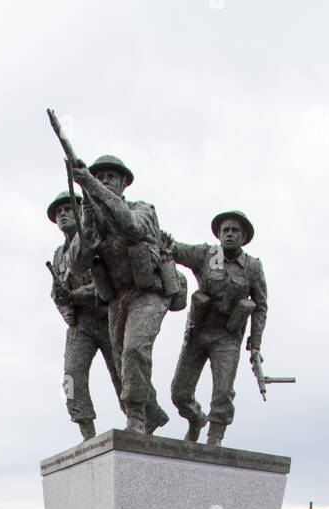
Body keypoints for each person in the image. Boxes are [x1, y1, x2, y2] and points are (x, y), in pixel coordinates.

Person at [68, 154, 170, 435]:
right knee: (122, 362)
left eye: (111, 177)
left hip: (148, 292)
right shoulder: (94, 217)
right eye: (99, 177)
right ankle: (149, 412)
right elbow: (78, 262)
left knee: (135, 349)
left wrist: (90, 185)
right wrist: (88, 215)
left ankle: (137, 417)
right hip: (118, 299)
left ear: (124, 182)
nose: (104, 181)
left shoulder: (143, 209)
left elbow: (130, 226)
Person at [165, 210, 267, 448]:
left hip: (227, 337)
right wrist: (159, 236)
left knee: (222, 392)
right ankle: (196, 418)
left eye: (235, 231)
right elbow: (173, 248)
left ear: (244, 237)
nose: (229, 235)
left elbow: (261, 306)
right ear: (219, 235)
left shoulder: (252, 267)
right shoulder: (206, 254)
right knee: (179, 393)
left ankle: (215, 438)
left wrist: (256, 343)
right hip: (199, 332)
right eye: (225, 230)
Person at [47, 191, 122, 440]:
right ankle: (86, 432)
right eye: (58, 212)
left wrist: (74, 296)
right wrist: (64, 306)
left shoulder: (94, 239)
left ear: (80, 211)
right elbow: (56, 292)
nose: (63, 214)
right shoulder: (59, 254)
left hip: (108, 318)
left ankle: (143, 420)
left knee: (125, 376)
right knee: (70, 378)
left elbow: (106, 283)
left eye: (68, 209)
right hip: (81, 325)